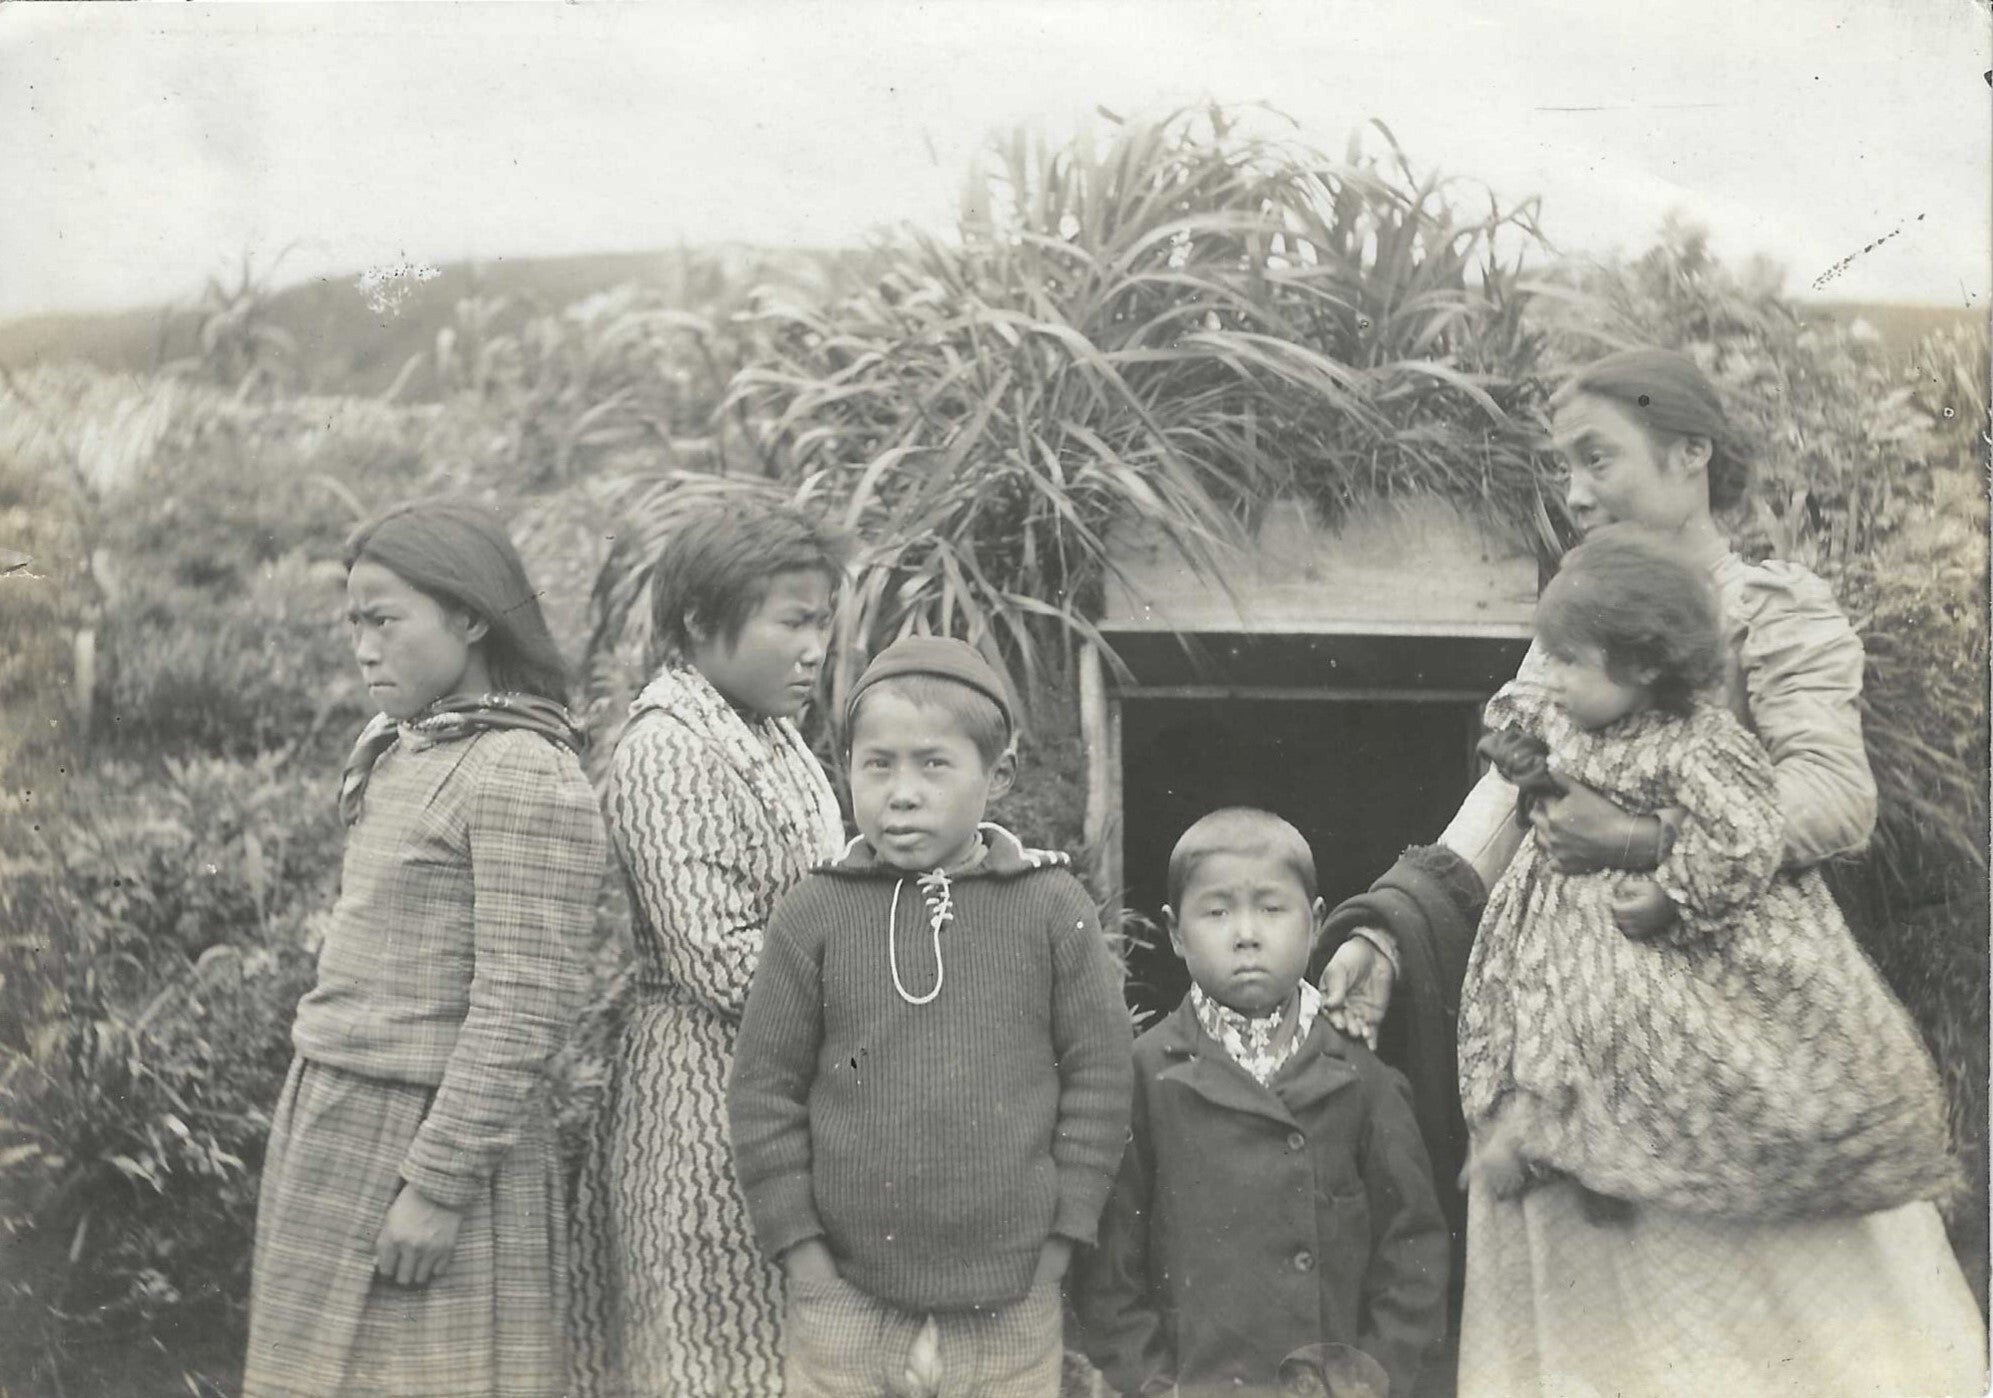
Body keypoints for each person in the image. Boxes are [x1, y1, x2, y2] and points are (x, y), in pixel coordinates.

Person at [1312, 348, 1986, 1395]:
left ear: (1689, 453)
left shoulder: (1768, 607)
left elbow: (1833, 795)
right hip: (1563, 1024)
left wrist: (1642, 839)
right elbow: (1501, 808)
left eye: (1598, 458)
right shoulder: (1575, 622)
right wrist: (1382, 937)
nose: (1575, 493)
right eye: (1564, 466)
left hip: (1721, 1028)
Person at [1457, 527, 1954, 1228]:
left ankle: (1629, 1162)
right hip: (1556, 936)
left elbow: (1744, 837)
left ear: (1641, 666)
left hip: (1667, 935)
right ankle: (1551, 1140)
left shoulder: (1698, 746)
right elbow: (1525, 719)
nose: (1553, 677)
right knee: (1540, 1023)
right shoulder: (1571, 714)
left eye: (1570, 662)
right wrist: (1517, 752)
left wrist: (1671, 893)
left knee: (1672, 1044)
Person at [244, 499, 607, 1398]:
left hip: (431, 1138)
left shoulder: (521, 770)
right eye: (353, 625)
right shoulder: (406, 749)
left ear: (472, 617)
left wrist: (438, 1187)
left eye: (384, 621)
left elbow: (524, 1005)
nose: (363, 649)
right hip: (334, 1115)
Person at [730, 636, 1134, 1398]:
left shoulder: (1052, 907)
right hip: (846, 1300)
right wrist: (802, 1253)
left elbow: (1100, 1081)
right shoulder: (814, 912)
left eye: (933, 764)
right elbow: (763, 1091)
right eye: (877, 764)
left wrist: (1059, 1241)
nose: (902, 792)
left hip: (1011, 1298)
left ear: (998, 774)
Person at [566, 500, 851, 1397]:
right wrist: (876, 987)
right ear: (698, 620)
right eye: (793, 623)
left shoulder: (771, 733)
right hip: (704, 1096)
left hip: (786, 1078)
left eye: (822, 624)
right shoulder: (667, 747)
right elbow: (722, 960)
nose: (814, 649)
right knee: (709, 1344)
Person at [1076, 809, 1447, 1398]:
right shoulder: (1145, 1074)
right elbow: (1109, 1273)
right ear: (1175, 932)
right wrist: (1156, 1386)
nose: (1246, 934)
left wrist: (1369, 1380)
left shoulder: (1364, 1077)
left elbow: (1413, 1252)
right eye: (1217, 912)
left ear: (1316, 922)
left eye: (1272, 910)